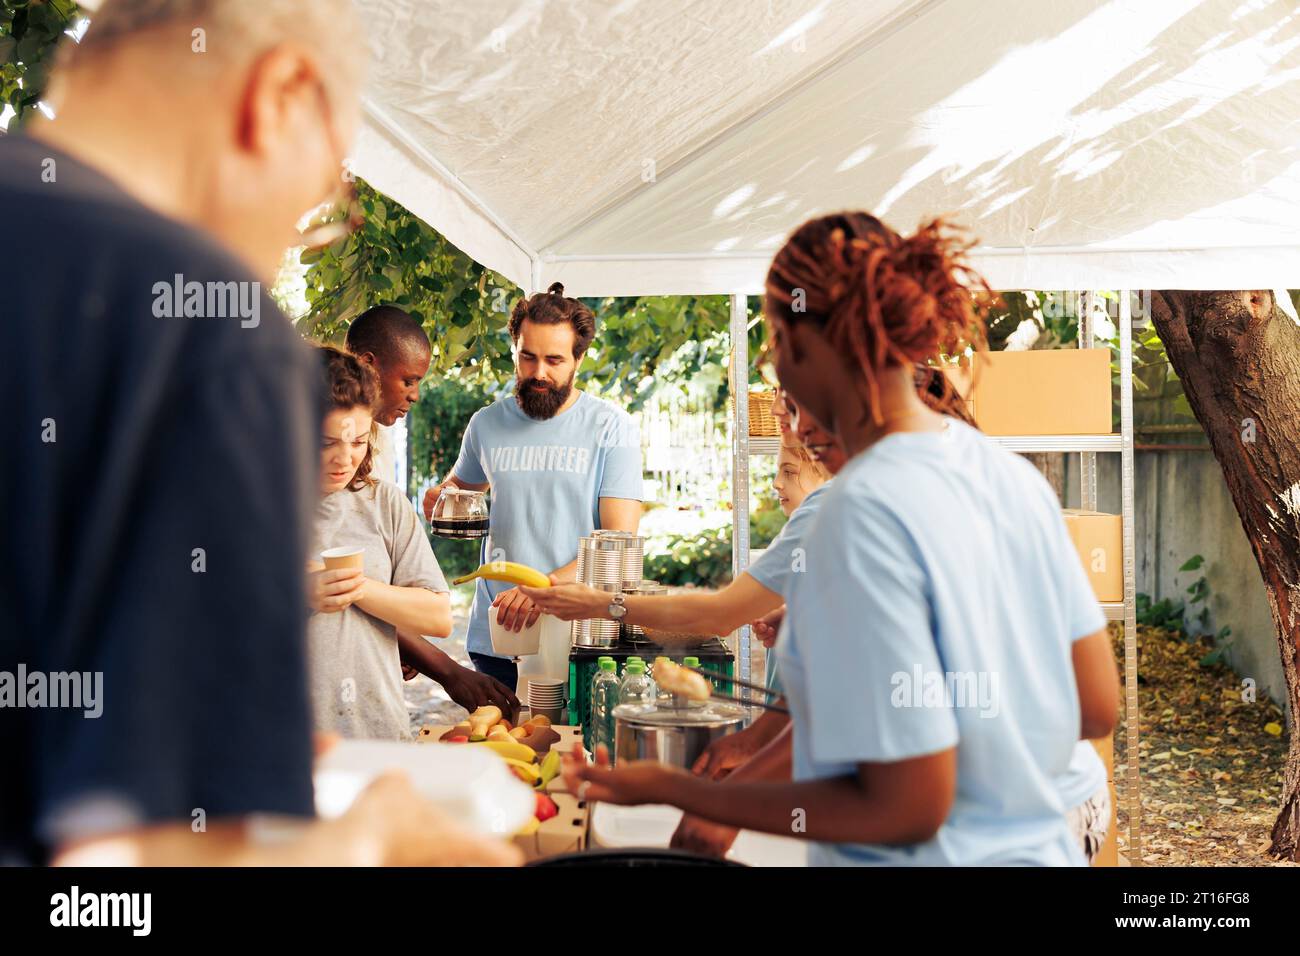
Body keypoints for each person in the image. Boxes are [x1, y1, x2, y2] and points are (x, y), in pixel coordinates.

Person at [0, 0, 516, 865]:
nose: (303, 225)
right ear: (277, 94)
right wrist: (374, 843)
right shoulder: (203, 328)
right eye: (328, 182)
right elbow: (128, 874)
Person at [560, 212, 1119, 866]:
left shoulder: (853, 513)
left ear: (802, 344)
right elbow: (1094, 707)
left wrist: (685, 792)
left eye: (773, 337)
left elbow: (906, 808)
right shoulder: (1007, 475)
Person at [421, 283, 643, 689]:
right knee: (502, 747)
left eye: (554, 360)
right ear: (514, 350)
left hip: (579, 639)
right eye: (528, 357)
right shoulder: (485, 424)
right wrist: (440, 496)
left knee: (572, 749)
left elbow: (619, 542)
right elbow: (459, 491)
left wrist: (544, 588)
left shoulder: (612, 428)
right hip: (498, 634)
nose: (539, 373)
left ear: (579, 358)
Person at [344, 306, 519, 714]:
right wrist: (445, 670)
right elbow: (352, 594)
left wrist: (403, 640)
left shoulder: (379, 471)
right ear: (369, 366)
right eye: (408, 379)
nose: (415, 394)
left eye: (354, 446)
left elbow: (410, 605)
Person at [307, 347, 453, 740]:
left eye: (357, 442)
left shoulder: (383, 501)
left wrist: (357, 586)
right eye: (326, 443)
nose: (344, 459)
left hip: (379, 735)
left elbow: (438, 616)